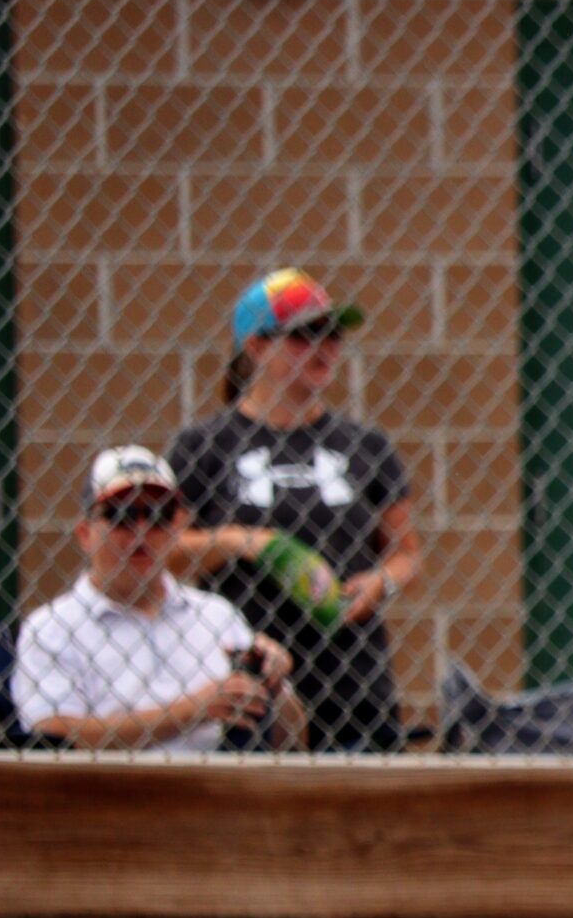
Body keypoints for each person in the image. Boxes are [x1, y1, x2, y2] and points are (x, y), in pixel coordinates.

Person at [167, 268, 421, 751]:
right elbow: (168, 554)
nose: (325, 347)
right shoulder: (203, 447)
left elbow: (407, 553)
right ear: (257, 347)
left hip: (351, 672)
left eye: (332, 333)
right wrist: (247, 542)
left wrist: (380, 582)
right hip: (252, 669)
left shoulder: (365, 445)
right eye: (304, 335)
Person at [14, 447, 304, 751]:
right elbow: (52, 738)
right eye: (122, 515)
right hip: (105, 795)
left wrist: (275, 687)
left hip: (215, 793)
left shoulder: (216, 615)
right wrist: (193, 710)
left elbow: (294, 743)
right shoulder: (52, 628)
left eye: (158, 515)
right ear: (86, 533)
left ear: (177, 527)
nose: (141, 531)